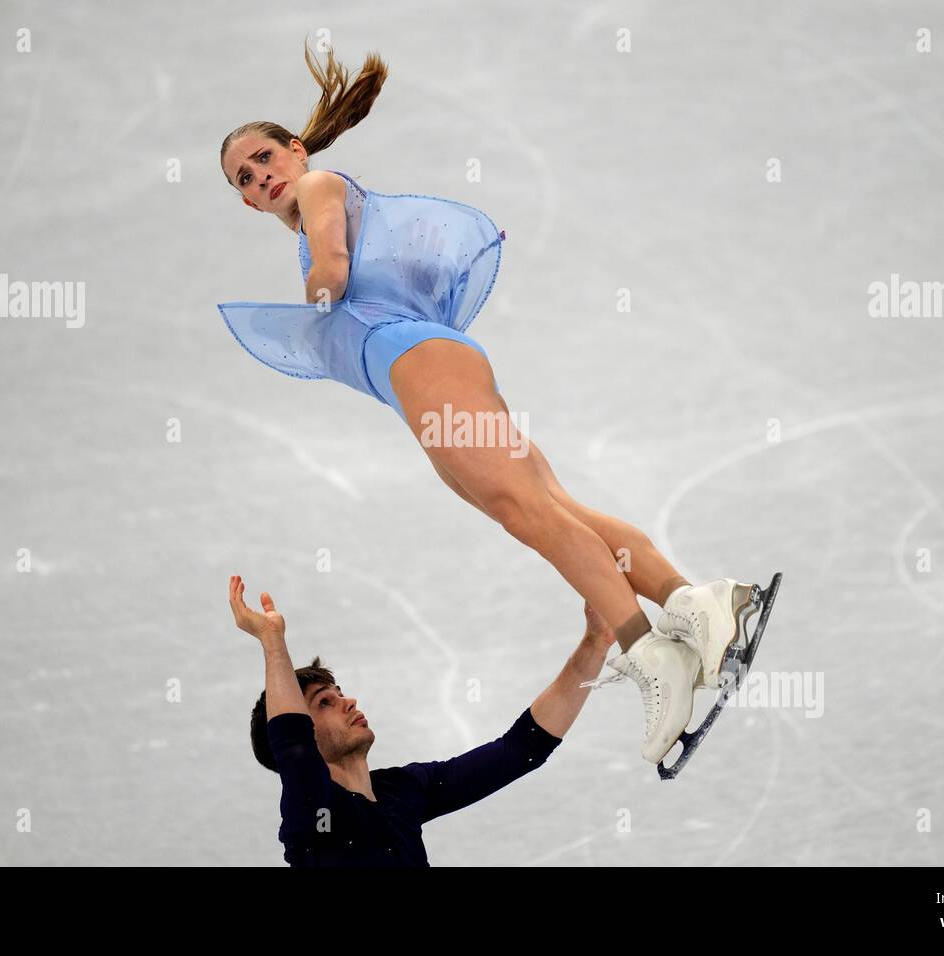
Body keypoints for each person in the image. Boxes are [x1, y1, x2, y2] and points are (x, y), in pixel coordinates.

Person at [217, 43, 765, 765]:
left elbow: (335, 273)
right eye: (245, 181)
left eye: (263, 158)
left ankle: (651, 650)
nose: (260, 178)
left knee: (526, 511)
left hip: (424, 368)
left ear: (294, 148)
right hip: (426, 369)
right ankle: (699, 605)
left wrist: (316, 294)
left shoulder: (319, 186)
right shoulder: (326, 198)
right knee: (552, 507)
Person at [230, 576, 609, 866]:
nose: (348, 701)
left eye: (339, 691)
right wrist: (273, 642)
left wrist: (596, 642)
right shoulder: (314, 812)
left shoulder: (401, 791)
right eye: (325, 702)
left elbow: (521, 748)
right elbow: (292, 743)